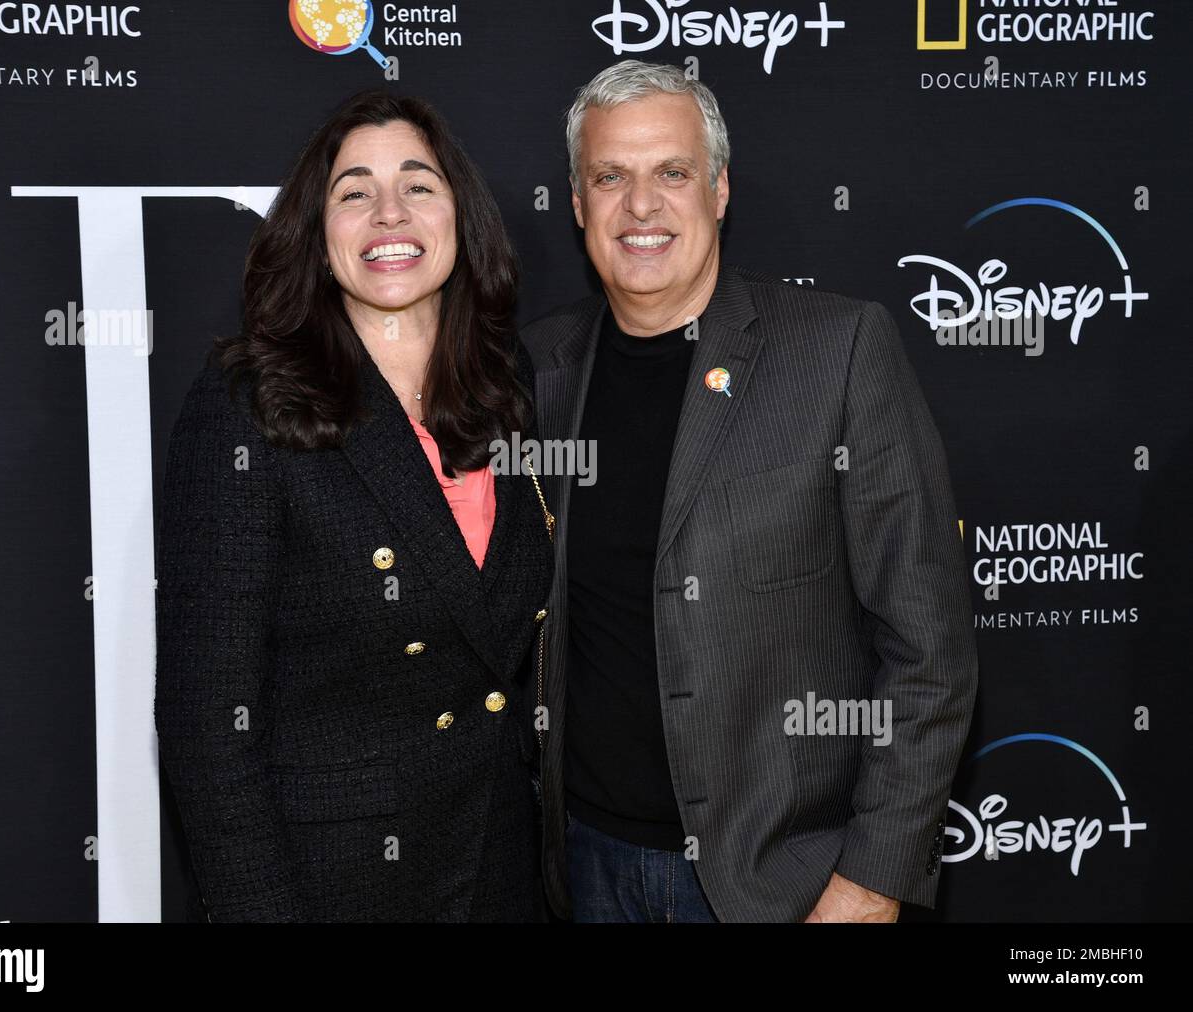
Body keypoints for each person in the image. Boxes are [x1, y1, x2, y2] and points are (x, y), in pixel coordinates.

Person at [521, 60, 979, 923]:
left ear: (721, 189)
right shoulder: (540, 368)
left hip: (784, 886)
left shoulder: (839, 352)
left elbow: (930, 653)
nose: (641, 206)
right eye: (610, 176)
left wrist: (873, 883)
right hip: (583, 867)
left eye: (673, 172)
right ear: (578, 203)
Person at [154, 90, 554, 922]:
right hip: (332, 880)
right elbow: (206, 725)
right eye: (353, 191)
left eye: (418, 183)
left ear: (460, 215)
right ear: (316, 233)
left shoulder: (506, 387)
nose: (388, 213)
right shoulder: (248, 403)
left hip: (499, 866)